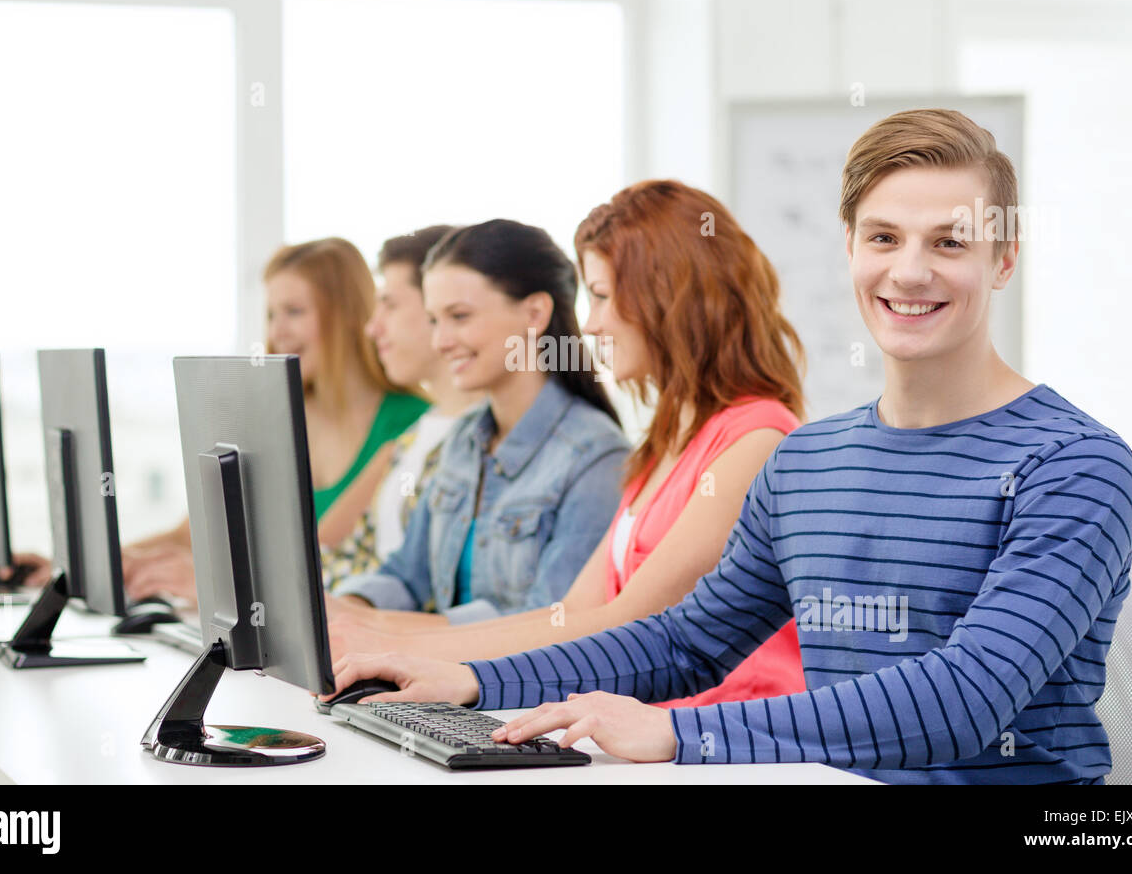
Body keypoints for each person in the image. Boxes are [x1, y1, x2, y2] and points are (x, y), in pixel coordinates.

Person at [329, 110, 1132, 785]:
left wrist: (682, 736)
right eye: (884, 238)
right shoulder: (809, 461)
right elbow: (687, 641)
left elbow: (965, 698)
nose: (912, 271)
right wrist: (474, 682)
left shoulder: (1076, 466)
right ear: (852, 250)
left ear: (1003, 259)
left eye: (951, 243)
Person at [328, 180, 808, 707]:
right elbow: (576, 613)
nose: (590, 323)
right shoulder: (665, 444)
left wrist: (403, 646)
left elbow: (628, 624)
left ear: (668, 294)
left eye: (601, 296)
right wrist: (391, 646)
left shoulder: (757, 438)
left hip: (722, 750)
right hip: (644, 736)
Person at [3, 237, 428, 602]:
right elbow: (194, 533)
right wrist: (77, 567)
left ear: (348, 315)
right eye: (271, 314)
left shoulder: (412, 426)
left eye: (295, 311)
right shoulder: (272, 420)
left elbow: (313, 556)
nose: (278, 331)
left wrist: (191, 577)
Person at [329, 219, 630, 626]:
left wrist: (392, 632)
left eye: (459, 316)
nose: (441, 341)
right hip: (438, 677)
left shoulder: (596, 457)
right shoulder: (463, 438)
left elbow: (552, 622)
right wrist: (340, 613)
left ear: (535, 313)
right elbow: (406, 577)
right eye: (435, 321)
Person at [319, 226, 482, 590]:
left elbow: (417, 589)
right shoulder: (413, 437)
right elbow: (335, 553)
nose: (372, 328)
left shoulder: (486, 438)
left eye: (389, 305)